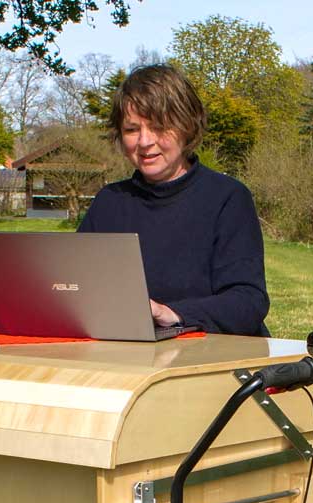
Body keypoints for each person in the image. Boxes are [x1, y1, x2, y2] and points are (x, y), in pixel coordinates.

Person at [78, 65, 270, 336]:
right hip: (127, 355)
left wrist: (171, 314)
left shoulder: (227, 198)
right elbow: (76, 289)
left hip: (210, 356)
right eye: (132, 129)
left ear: (187, 127)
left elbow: (248, 302)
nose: (145, 142)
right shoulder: (109, 202)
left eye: (158, 127)